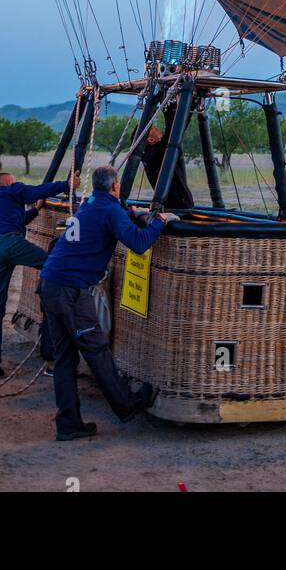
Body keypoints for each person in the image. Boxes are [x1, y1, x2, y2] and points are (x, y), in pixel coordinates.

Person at [39, 164, 178, 440]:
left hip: (50, 284)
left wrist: (129, 213)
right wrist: (161, 221)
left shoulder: (90, 203)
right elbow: (139, 243)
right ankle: (126, 405)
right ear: (115, 187)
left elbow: (106, 218)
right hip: (71, 291)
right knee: (97, 349)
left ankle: (68, 423)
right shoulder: (109, 209)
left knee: (64, 357)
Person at [0, 169, 79, 378]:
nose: (19, 185)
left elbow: (14, 221)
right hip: (11, 243)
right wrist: (66, 185)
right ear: (8, 183)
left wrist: (35, 211)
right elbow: (34, 191)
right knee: (52, 266)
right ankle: (49, 300)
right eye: (16, 182)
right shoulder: (12, 190)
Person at [139, 116, 195, 210]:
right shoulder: (159, 151)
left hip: (172, 204)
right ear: (150, 139)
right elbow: (177, 127)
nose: (155, 127)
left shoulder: (150, 154)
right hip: (180, 206)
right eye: (152, 128)